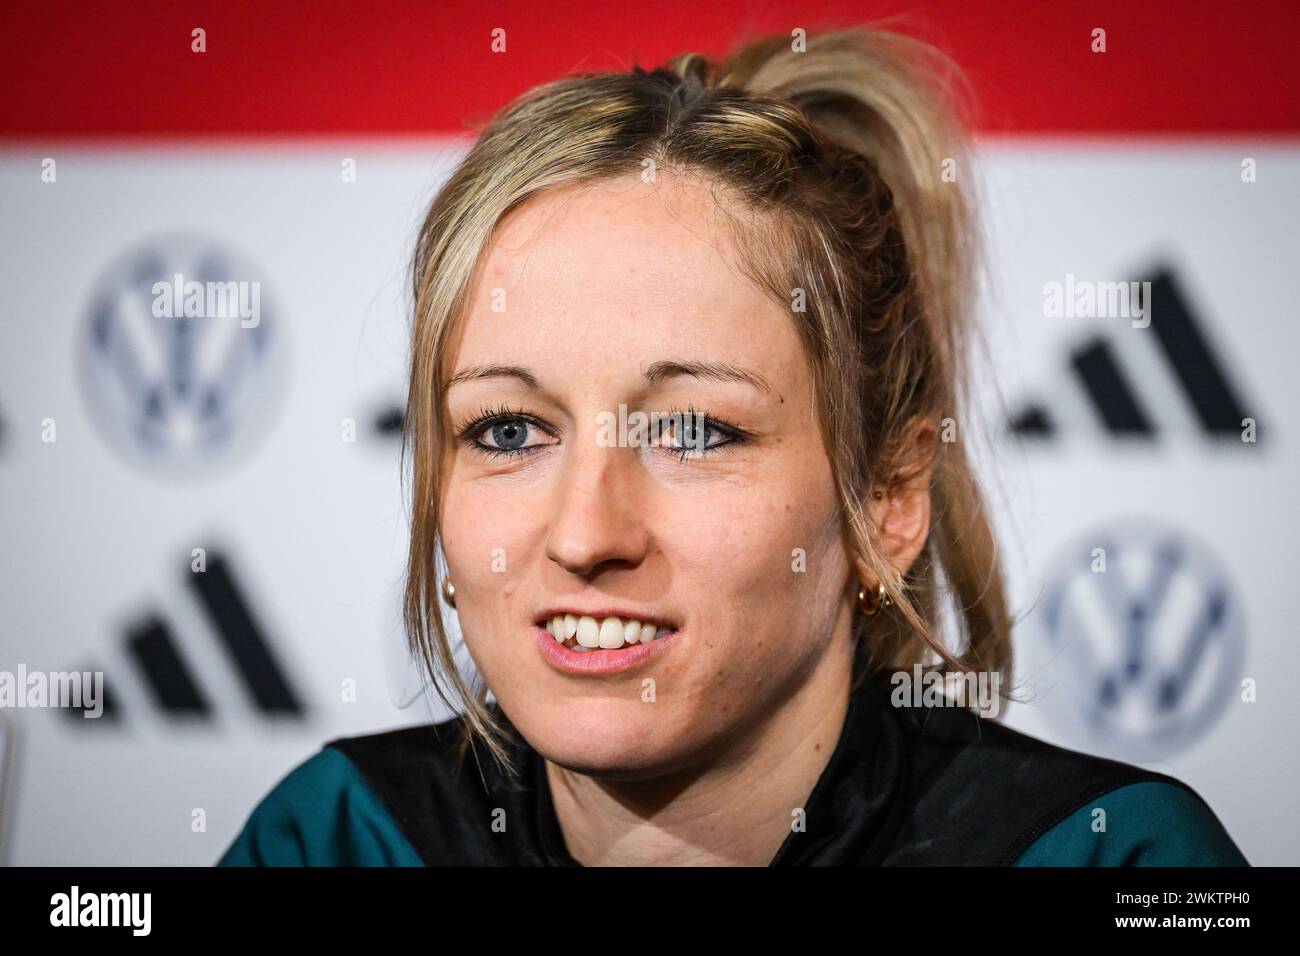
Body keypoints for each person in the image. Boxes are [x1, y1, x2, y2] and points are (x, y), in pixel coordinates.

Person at [219, 26, 1248, 867]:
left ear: (888, 496)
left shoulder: (1111, 859)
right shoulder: (335, 839)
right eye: (510, 430)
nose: (585, 534)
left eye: (693, 431)